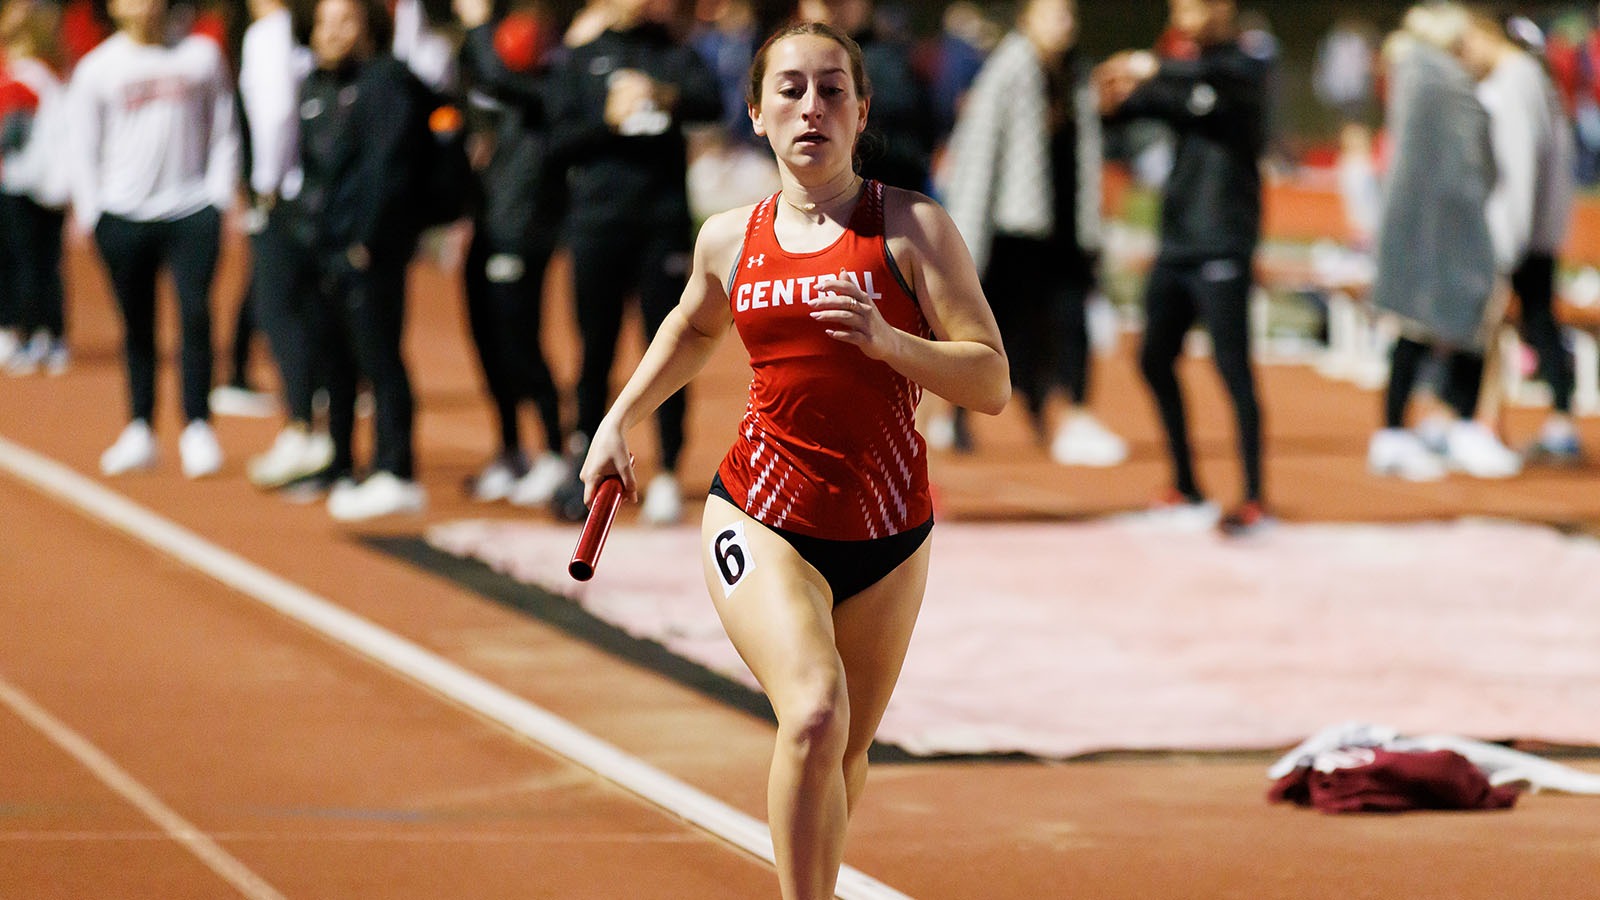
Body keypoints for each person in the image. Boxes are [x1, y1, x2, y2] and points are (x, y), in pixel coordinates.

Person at [577, 22, 1007, 900]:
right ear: (756, 112)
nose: (811, 107)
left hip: (889, 531)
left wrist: (892, 343)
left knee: (841, 753)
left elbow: (991, 379)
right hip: (762, 514)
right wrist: (618, 420)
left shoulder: (913, 228)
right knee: (812, 710)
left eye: (832, 90)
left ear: (861, 110)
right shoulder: (730, 238)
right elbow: (695, 326)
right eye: (790, 90)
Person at [1094, 0, 1269, 534]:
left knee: (1232, 367)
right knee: (1153, 359)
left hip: (1224, 241)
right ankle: (1187, 483)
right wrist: (1108, 97)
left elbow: (1201, 76)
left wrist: (1151, 65)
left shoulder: (1245, 64)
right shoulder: (1185, 71)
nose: (1183, 12)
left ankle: (1255, 496)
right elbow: (1131, 109)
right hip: (1177, 242)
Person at [546, 0, 722, 525]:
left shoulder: (673, 51)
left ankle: (667, 469)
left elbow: (711, 103)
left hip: (660, 224)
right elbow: (557, 142)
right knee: (594, 349)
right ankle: (588, 461)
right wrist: (606, 120)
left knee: (668, 347)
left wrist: (661, 95)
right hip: (597, 223)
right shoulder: (582, 57)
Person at [940, 0, 1125, 467]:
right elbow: (979, 151)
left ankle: (1075, 414)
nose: (1066, 24)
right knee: (992, 328)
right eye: (1055, 15)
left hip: (1064, 227)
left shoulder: (1075, 73)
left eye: (1070, 16)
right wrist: (967, 231)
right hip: (1014, 227)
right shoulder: (1008, 69)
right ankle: (956, 412)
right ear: (1028, 20)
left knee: (1070, 322)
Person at [67, 0, 240, 479]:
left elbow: (225, 128)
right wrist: (94, 213)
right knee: (136, 322)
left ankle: (198, 427)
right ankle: (140, 427)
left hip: (190, 211)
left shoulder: (201, 56)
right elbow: (82, 147)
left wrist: (218, 197)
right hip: (122, 216)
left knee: (194, 314)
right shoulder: (97, 69)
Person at [298, 0, 435, 520]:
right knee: (332, 360)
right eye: (323, 22)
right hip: (323, 244)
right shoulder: (315, 84)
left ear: (369, 28)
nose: (331, 33)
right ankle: (339, 462)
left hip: (368, 250)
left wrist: (367, 241)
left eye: (344, 22)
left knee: (379, 357)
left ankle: (395, 470)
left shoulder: (385, 83)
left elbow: (388, 169)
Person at [452, 0, 571, 505]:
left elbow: (500, 77)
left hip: (523, 231)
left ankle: (554, 452)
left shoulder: (550, 91)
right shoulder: (502, 92)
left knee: (520, 341)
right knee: (486, 341)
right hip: (487, 226)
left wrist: (477, 25)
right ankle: (509, 448)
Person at [1459, 9, 1581, 465]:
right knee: (1535, 319)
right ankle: (1512, 419)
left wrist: (1508, 236)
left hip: (1517, 230)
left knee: (1506, 324)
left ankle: (1484, 421)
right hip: (1531, 228)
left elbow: (1519, 164)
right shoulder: (1534, 82)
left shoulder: (1517, 81)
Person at [236, 0, 337, 489]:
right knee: (313, 312)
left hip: (288, 194)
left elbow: (276, 113)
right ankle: (315, 424)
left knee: (280, 311)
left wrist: (266, 185)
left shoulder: (269, 34)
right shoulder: (304, 25)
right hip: (320, 192)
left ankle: (303, 427)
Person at [0, 0, 71, 376]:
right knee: (48, 263)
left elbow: (12, 134)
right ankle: (52, 336)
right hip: (51, 184)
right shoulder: (53, 71)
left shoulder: (24, 75)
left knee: (24, 263)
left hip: (22, 183)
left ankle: (30, 335)